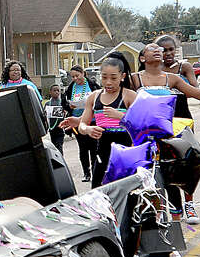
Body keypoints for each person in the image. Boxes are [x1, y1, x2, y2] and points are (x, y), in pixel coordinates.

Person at [135, 43, 200, 219]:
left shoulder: (172, 79)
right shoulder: (133, 79)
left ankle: (178, 221)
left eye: (159, 49)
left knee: (173, 177)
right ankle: (154, 221)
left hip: (168, 136)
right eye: (152, 48)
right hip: (144, 138)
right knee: (149, 181)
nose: (157, 51)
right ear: (142, 57)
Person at [60, 56, 138, 189]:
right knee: (98, 190)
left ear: (122, 76)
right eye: (104, 77)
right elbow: (83, 124)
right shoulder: (94, 96)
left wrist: (120, 116)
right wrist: (88, 129)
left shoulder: (129, 96)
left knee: (126, 191)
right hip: (102, 152)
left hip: (126, 152)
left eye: (113, 78)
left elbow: (141, 124)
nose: (108, 82)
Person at [157, 34, 200, 223]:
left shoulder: (184, 67)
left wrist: (177, 83)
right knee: (168, 165)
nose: (168, 53)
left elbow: (195, 89)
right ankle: (175, 207)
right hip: (163, 122)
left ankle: (189, 204)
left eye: (171, 49)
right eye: (163, 51)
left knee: (187, 163)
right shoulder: (154, 71)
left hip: (183, 120)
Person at [65, 66, 100, 181]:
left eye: (77, 75)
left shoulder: (92, 85)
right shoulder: (71, 87)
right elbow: (64, 102)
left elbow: (101, 99)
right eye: (72, 77)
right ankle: (86, 173)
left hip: (92, 121)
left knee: (94, 148)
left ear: (83, 74)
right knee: (83, 148)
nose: (75, 78)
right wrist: (69, 106)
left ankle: (95, 171)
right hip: (77, 121)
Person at [43, 84, 67, 154]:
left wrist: (65, 112)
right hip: (52, 128)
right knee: (54, 146)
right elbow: (44, 114)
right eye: (54, 90)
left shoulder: (62, 102)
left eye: (58, 90)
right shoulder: (48, 103)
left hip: (60, 128)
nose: (56, 92)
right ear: (50, 92)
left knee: (59, 145)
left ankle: (61, 158)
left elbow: (67, 113)